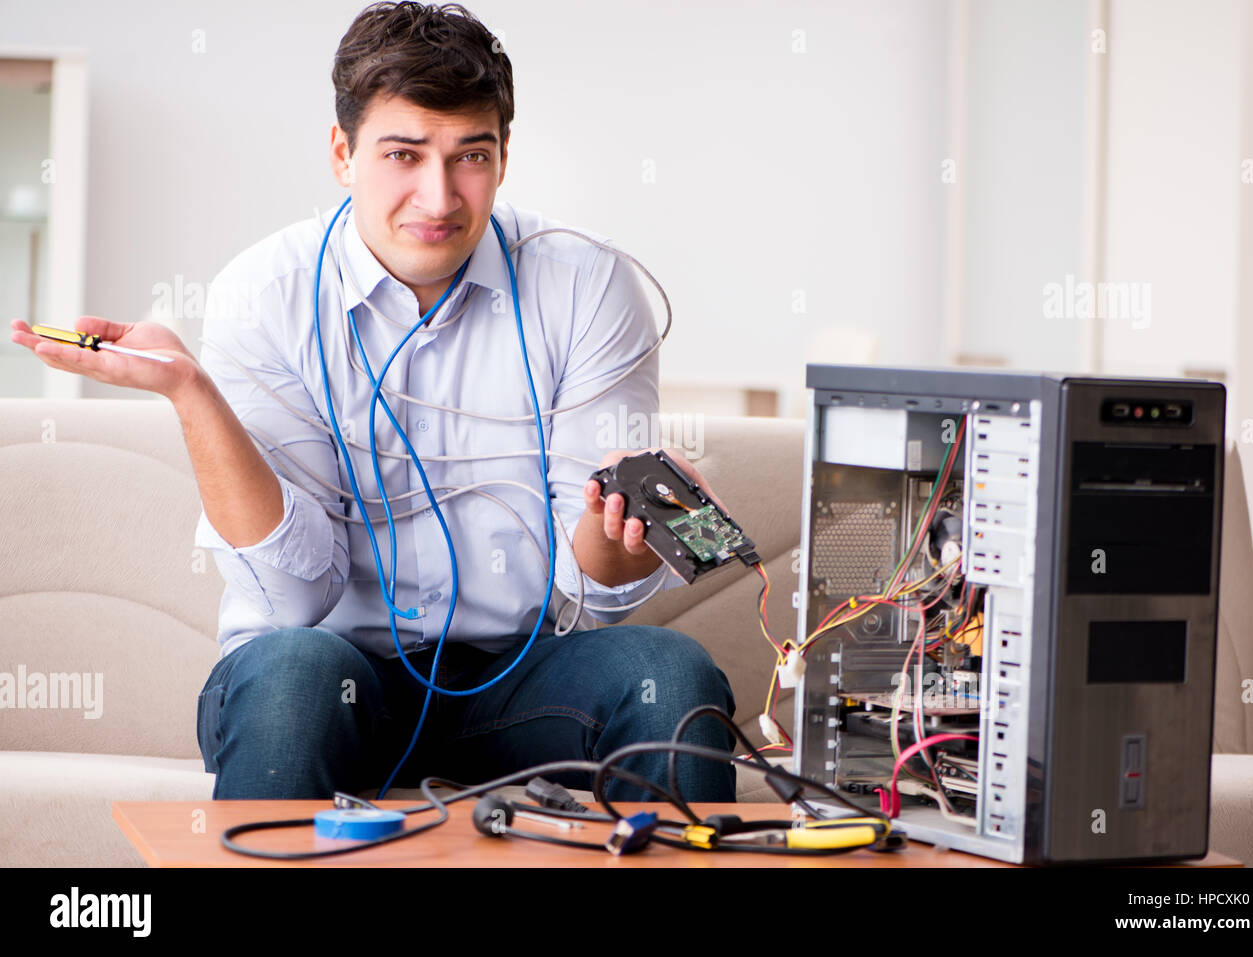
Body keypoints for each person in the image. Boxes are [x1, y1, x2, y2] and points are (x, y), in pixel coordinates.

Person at [9, 0, 736, 803]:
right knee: (295, 674)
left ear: (502, 159)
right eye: (403, 154)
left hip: (517, 683)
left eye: (471, 156)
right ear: (342, 153)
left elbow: (589, 590)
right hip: (326, 679)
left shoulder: (589, 285)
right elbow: (294, 596)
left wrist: (620, 542)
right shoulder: (265, 296)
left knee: (669, 675)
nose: (439, 198)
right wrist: (194, 396)